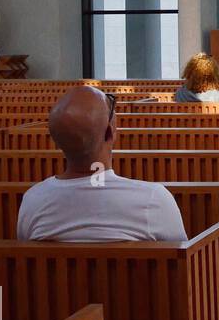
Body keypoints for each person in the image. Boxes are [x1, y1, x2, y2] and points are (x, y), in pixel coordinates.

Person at [16, 86, 188, 242]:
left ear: (57, 141)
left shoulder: (34, 200)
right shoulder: (154, 200)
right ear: (109, 132)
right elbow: (183, 268)